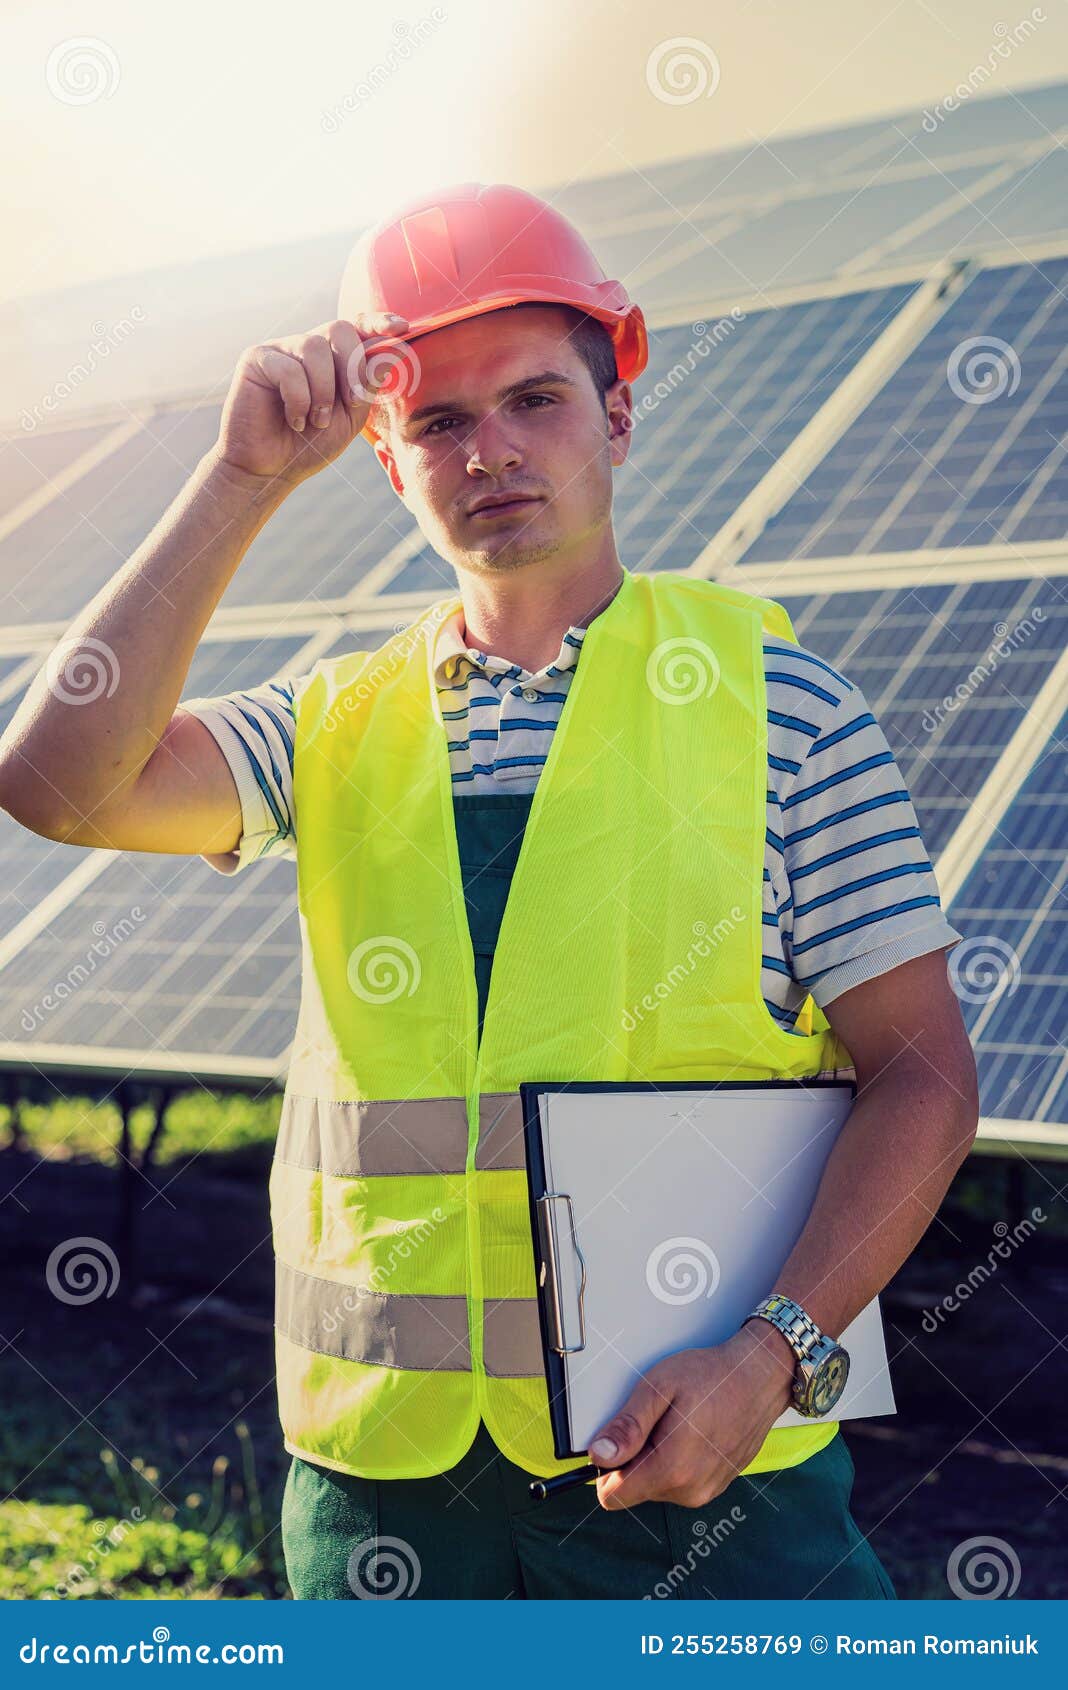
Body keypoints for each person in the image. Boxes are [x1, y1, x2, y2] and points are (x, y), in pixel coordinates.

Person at [0, 183, 978, 1602]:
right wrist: (244, 479)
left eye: (535, 401)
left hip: (702, 1477)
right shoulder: (327, 722)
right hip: (384, 1504)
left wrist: (771, 1356)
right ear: (390, 466)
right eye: (441, 424)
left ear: (618, 418)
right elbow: (56, 781)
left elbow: (928, 1076)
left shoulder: (787, 706)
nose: (492, 452)